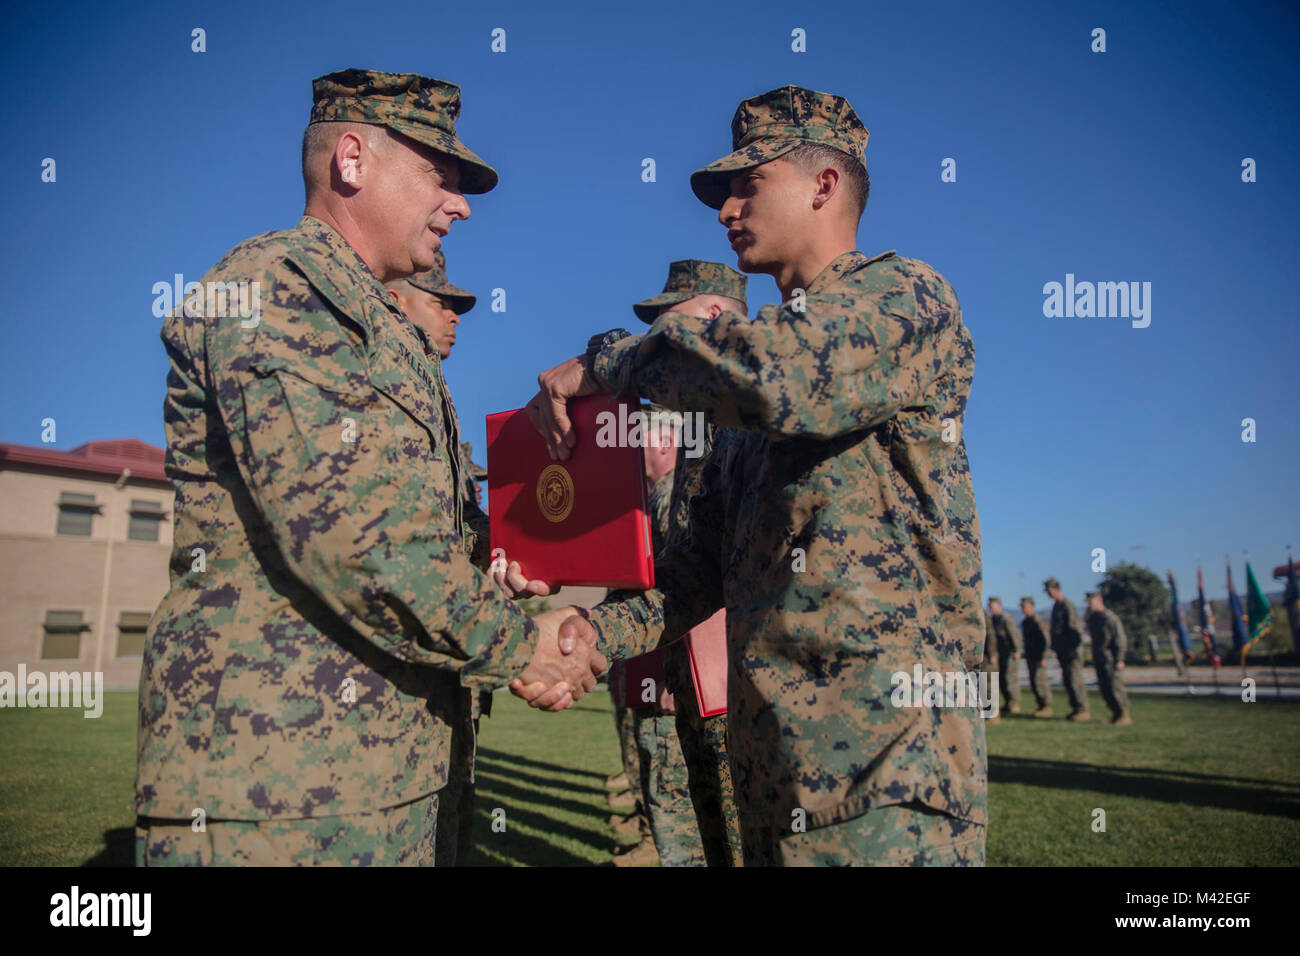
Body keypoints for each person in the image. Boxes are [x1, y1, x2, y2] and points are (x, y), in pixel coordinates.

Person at [136, 69, 603, 867]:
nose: (460, 205)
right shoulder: (273, 289)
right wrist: (521, 642)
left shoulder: (383, 329)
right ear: (351, 160)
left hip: (390, 772)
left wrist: (495, 569)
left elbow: (410, 536)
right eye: (440, 176)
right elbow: (352, 539)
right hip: (279, 789)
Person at [519, 85, 985, 866]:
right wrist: (589, 638)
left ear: (824, 184)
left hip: (886, 776)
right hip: (774, 774)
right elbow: (698, 570)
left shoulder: (906, 296)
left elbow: (776, 375)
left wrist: (606, 362)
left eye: (748, 182)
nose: (726, 209)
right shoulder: (744, 403)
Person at [1045, 577, 1089, 721]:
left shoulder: (1066, 605)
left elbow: (1074, 629)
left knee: (1075, 679)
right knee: (1068, 680)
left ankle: (1082, 709)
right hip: (1063, 650)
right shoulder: (1057, 605)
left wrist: (1073, 649)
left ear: (1056, 589)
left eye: (1049, 590)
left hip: (1071, 650)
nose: (1047, 594)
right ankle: (1076, 708)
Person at [1085, 591, 1132, 725]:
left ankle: (1124, 715)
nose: (1089, 605)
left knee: (1115, 687)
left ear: (1099, 601)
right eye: (1088, 603)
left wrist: (1120, 658)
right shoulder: (1094, 618)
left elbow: (1120, 639)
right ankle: (1115, 714)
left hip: (1111, 659)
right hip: (1100, 658)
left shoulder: (1110, 618)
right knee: (1105, 688)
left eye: (1091, 602)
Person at [1019, 596, 1053, 716]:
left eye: (1025, 606)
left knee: (1040, 681)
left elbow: (1045, 639)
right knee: (1034, 681)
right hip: (1030, 656)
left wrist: (1044, 656)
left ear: (1032, 607)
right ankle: (1040, 705)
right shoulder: (1025, 622)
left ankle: (1046, 706)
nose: (1023, 609)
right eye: (1022, 607)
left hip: (1039, 657)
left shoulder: (1038, 621)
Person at [986, 597, 1021, 715]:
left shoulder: (1005, 619)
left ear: (999, 606)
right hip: (1000, 654)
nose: (991, 609)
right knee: (1002, 680)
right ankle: (1008, 703)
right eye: (990, 607)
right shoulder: (993, 620)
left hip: (1009, 653)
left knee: (1010, 678)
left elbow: (1013, 635)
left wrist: (1017, 650)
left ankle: (1014, 703)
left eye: (993, 607)